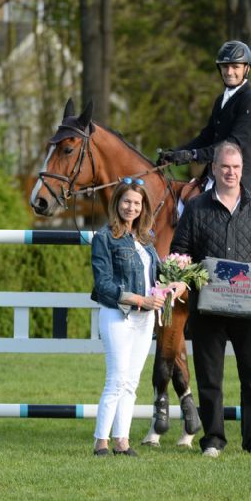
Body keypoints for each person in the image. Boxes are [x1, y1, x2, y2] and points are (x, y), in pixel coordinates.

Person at [169, 142, 251, 457]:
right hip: (208, 306)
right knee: (209, 378)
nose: (231, 172)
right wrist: (184, 275)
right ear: (215, 169)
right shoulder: (196, 208)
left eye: (236, 167)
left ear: (242, 169)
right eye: (225, 167)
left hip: (248, 306)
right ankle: (214, 440)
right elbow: (181, 250)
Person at [90, 178, 186, 457]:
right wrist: (139, 299)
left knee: (132, 381)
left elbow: (156, 277)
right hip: (118, 315)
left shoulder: (146, 239)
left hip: (145, 319)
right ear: (117, 204)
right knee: (116, 378)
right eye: (126, 202)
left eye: (136, 203)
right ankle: (101, 441)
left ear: (143, 207)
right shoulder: (105, 238)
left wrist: (177, 284)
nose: (131, 207)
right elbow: (103, 285)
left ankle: (122, 440)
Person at [157, 40, 251, 192]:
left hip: (236, 176)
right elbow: (206, 136)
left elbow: (233, 144)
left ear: (247, 69)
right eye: (225, 66)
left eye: (235, 67)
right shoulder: (221, 100)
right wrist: (176, 153)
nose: (229, 72)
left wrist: (194, 155)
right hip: (214, 172)